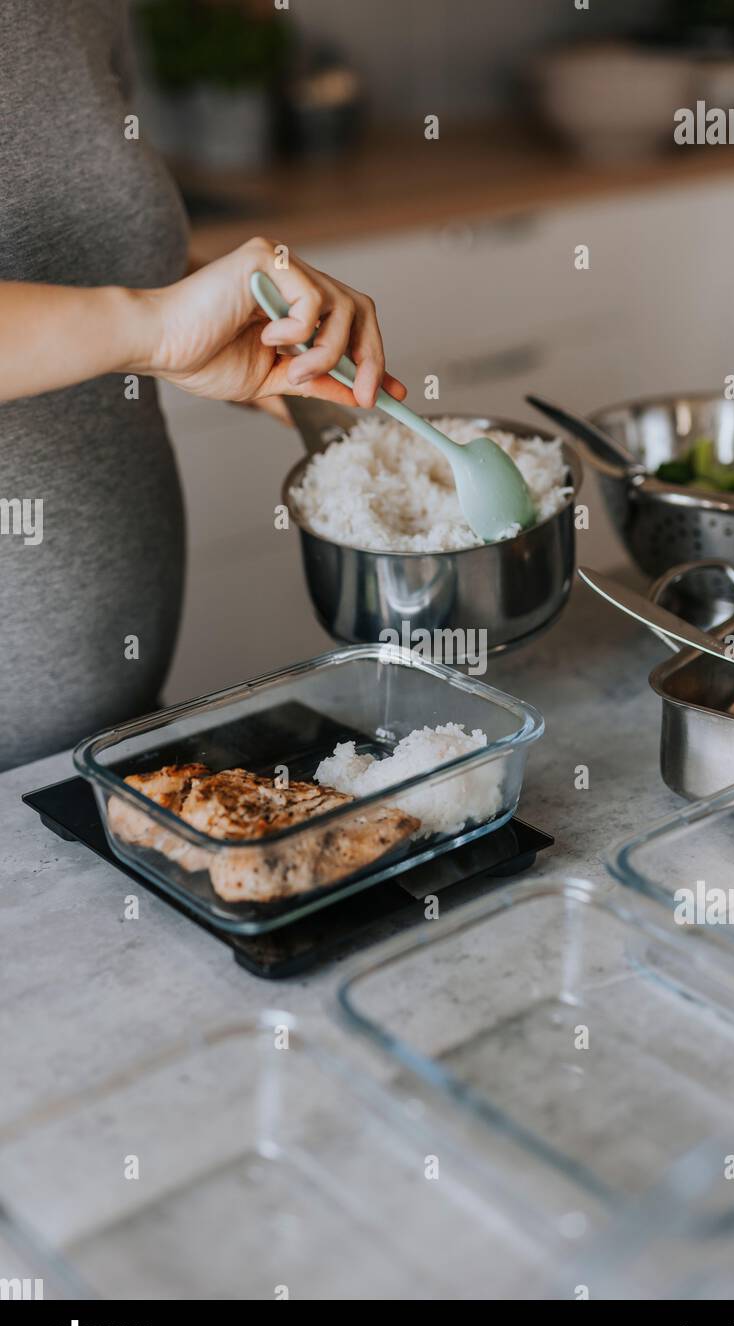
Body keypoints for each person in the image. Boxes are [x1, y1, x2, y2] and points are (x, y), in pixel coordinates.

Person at [0, 0, 405, 771]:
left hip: (107, 738)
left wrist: (251, 334)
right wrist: (150, 326)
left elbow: (86, 272)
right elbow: (131, 319)